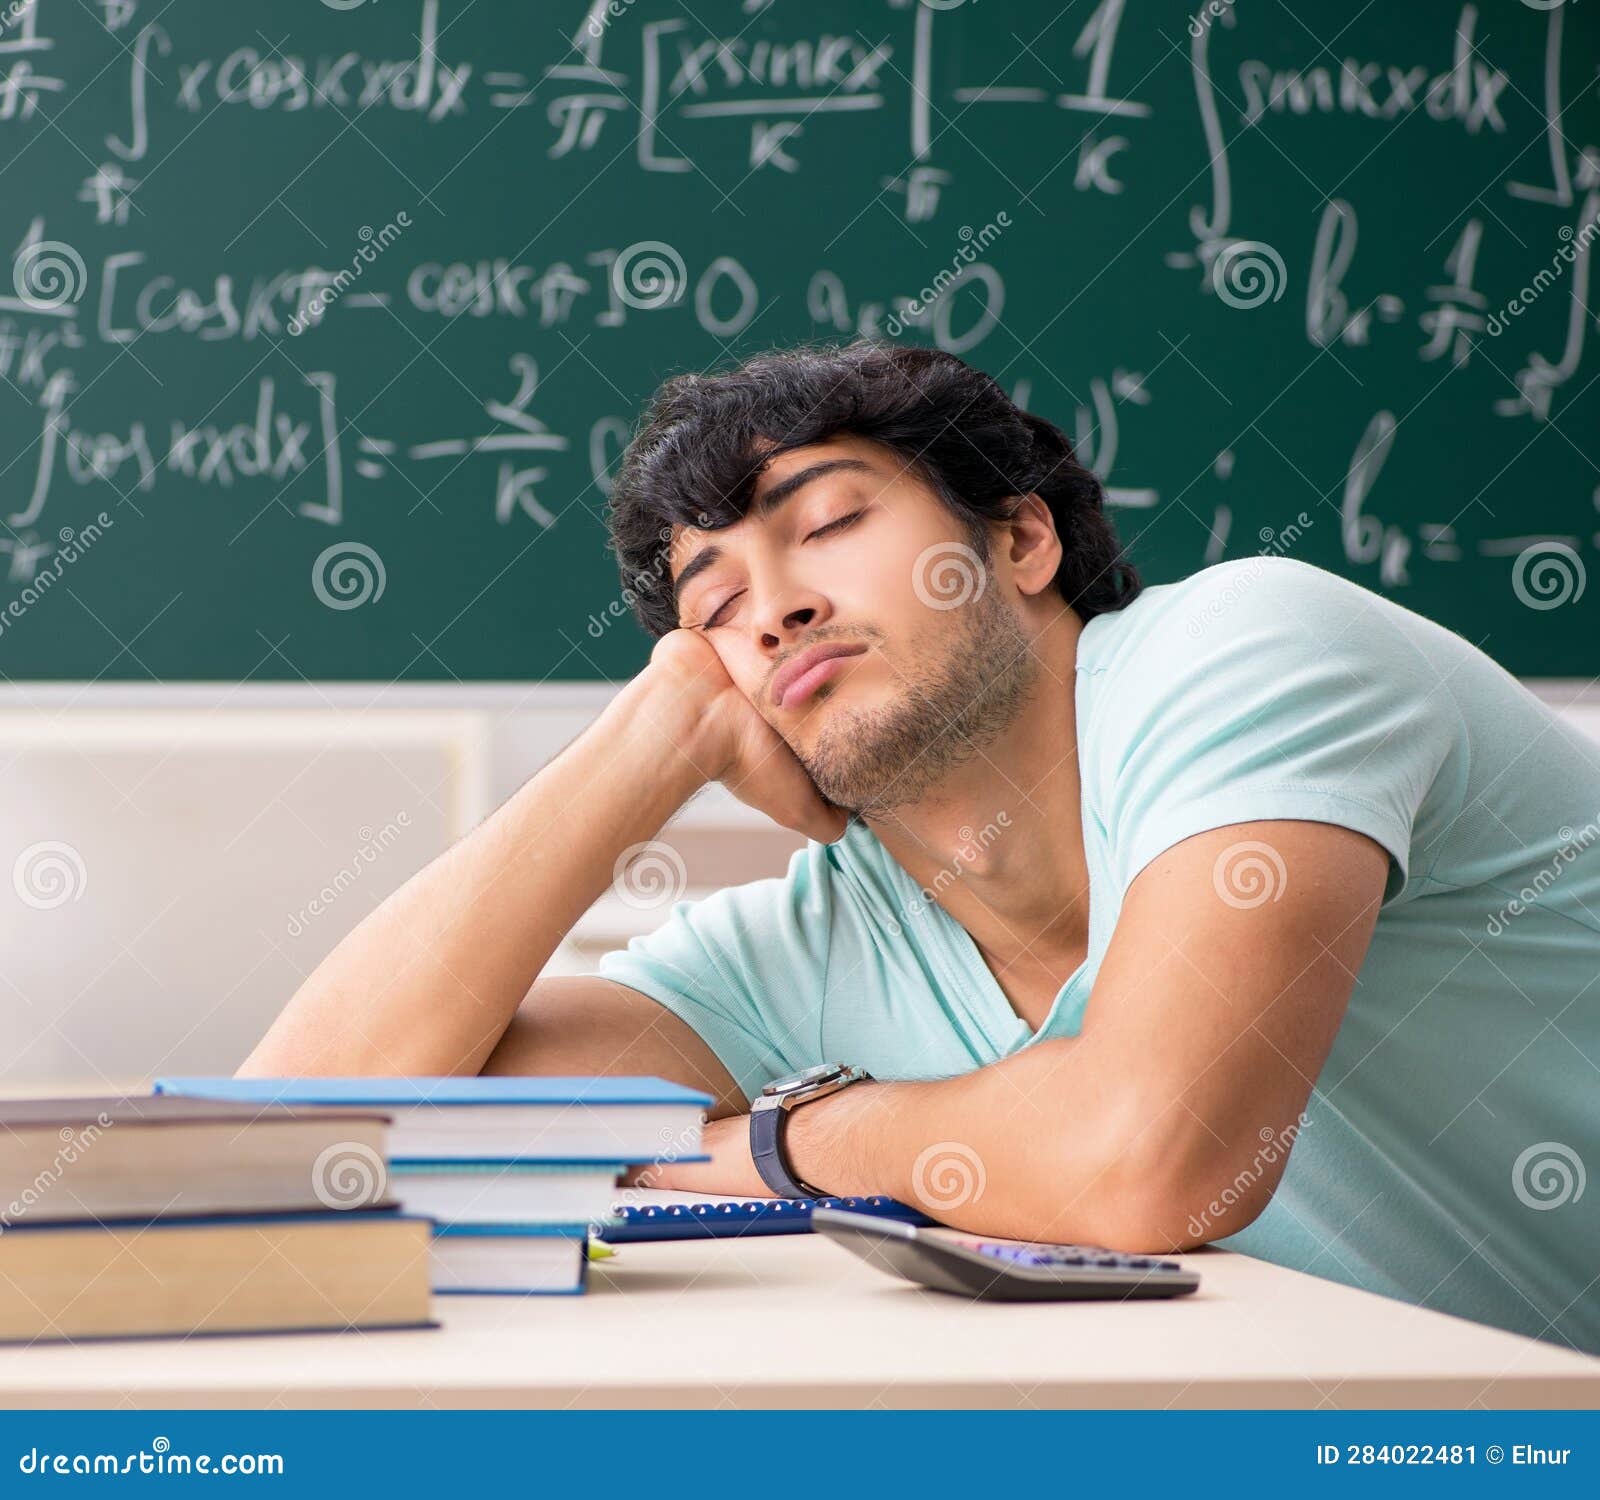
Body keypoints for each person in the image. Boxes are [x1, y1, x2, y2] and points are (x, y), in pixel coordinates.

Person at [242, 341, 1600, 1354]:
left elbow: (1150, 1159)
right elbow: (296, 1143)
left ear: (1019, 539)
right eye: (713, 607)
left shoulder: (1250, 651)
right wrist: (645, 743)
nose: (772, 609)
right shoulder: (824, 932)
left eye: (830, 525)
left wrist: (785, 1144)